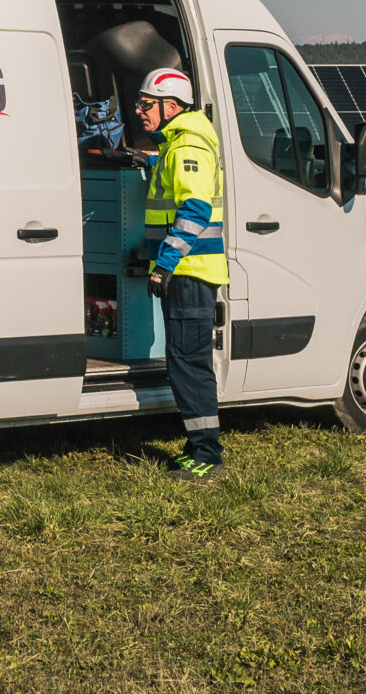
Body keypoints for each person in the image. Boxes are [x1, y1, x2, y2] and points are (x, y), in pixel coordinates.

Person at [136, 66, 230, 480]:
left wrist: (167, 263)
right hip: (186, 271)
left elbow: (195, 210)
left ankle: (207, 454)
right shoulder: (176, 144)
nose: (139, 110)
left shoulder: (188, 145)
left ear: (170, 106)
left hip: (190, 272)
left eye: (146, 104)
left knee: (189, 363)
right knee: (184, 360)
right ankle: (199, 446)